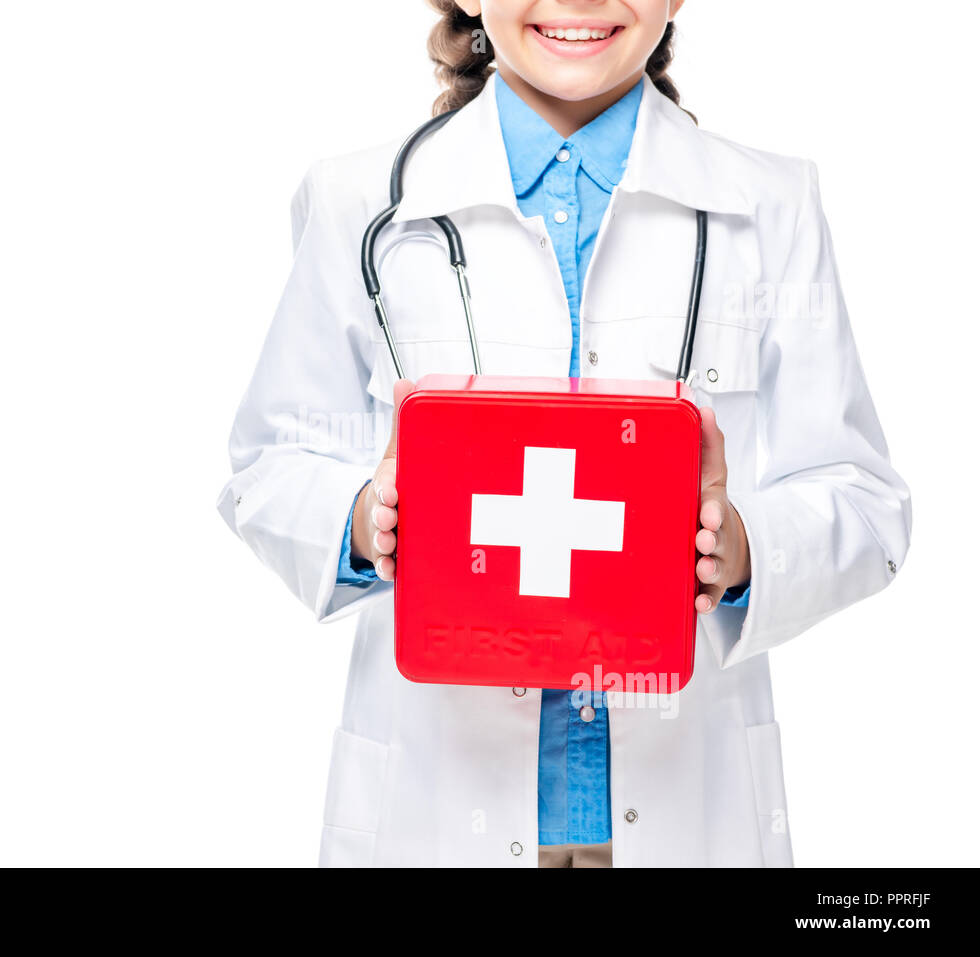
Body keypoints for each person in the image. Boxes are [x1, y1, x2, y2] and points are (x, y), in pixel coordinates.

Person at [217, 0, 911, 867]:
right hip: (436, 810)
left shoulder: (770, 205)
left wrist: (738, 547)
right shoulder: (361, 201)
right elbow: (266, 465)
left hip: (684, 808)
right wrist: (364, 518)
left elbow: (865, 503)